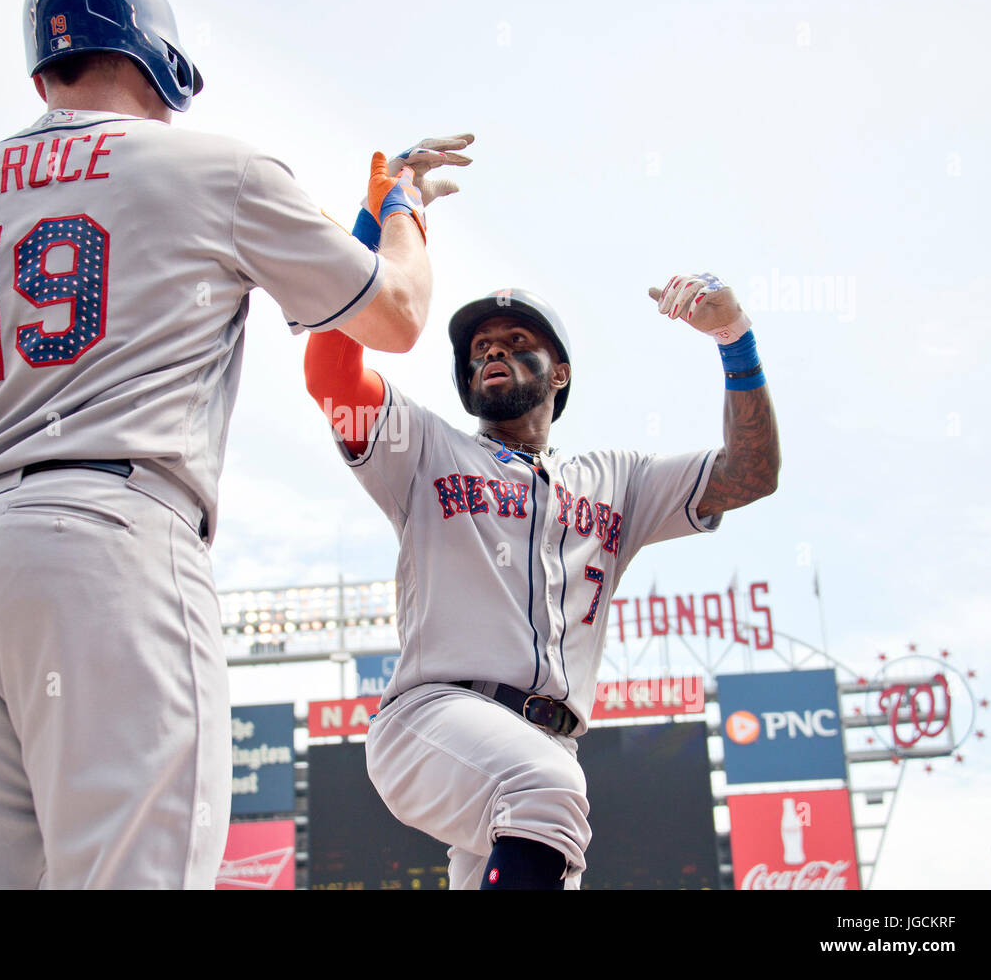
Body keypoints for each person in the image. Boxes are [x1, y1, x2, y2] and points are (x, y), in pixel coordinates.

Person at [0, 0, 456, 889]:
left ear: (42, 75)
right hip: (101, 548)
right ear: (164, 65)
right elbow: (397, 315)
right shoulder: (217, 167)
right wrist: (399, 201)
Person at [304, 255, 780, 889]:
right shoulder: (424, 448)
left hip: (546, 744)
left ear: (560, 373)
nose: (493, 350)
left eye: (517, 341)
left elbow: (752, 472)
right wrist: (382, 223)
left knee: (546, 801)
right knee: (549, 792)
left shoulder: (620, 480)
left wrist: (735, 338)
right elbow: (330, 374)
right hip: (437, 716)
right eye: (480, 346)